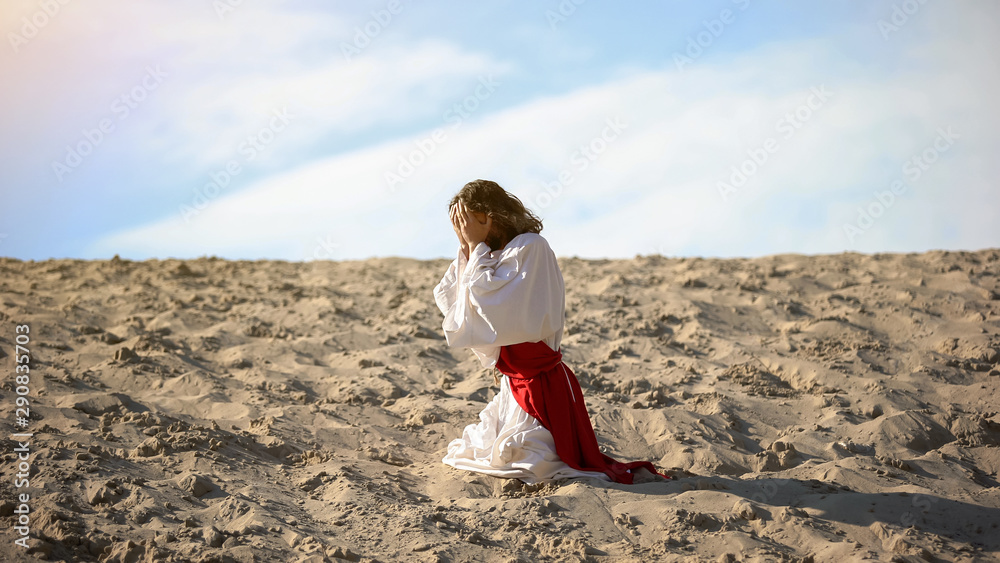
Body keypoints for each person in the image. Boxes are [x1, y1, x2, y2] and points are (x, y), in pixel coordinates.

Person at [433, 179, 665, 485]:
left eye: (465, 220)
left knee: (529, 459)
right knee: (485, 450)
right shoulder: (488, 254)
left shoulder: (531, 247)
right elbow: (456, 300)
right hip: (514, 379)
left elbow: (498, 305)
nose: (461, 229)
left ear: (488, 216)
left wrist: (475, 247)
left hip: (539, 372)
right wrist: (468, 248)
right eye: (457, 224)